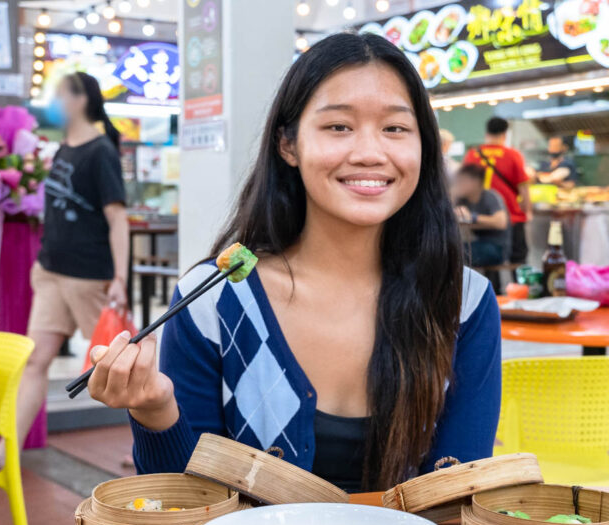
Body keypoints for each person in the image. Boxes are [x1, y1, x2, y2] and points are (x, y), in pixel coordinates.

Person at [86, 32, 502, 493]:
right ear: (288, 145)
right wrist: (154, 409)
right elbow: (185, 503)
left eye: (395, 129)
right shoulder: (214, 299)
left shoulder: (463, 301)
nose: (369, 152)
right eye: (338, 127)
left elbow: (458, 494)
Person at [0, 72, 130, 468]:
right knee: (35, 361)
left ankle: (154, 439)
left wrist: (121, 279)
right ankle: (4, 451)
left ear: (79, 100)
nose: (54, 103)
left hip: (86, 275)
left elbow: (118, 219)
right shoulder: (62, 150)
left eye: (60, 96)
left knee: (121, 366)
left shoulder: (100, 152)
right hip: (51, 272)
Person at [462, 117, 532, 265]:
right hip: (511, 215)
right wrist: (527, 210)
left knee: (487, 260)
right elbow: (523, 188)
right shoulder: (512, 155)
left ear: (486, 132)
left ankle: (493, 287)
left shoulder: (472, 154)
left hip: (481, 217)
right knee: (517, 259)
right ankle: (517, 287)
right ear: (505, 134)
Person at [452, 164, 509, 280]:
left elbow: (501, 222)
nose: (458, 184)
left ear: (476, 182)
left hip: (496, 247)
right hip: (477, 244)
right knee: (450, 250)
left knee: (455, 253)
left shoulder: (490, 196)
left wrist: (472, 217)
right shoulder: (463, 199)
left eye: (462, 181)